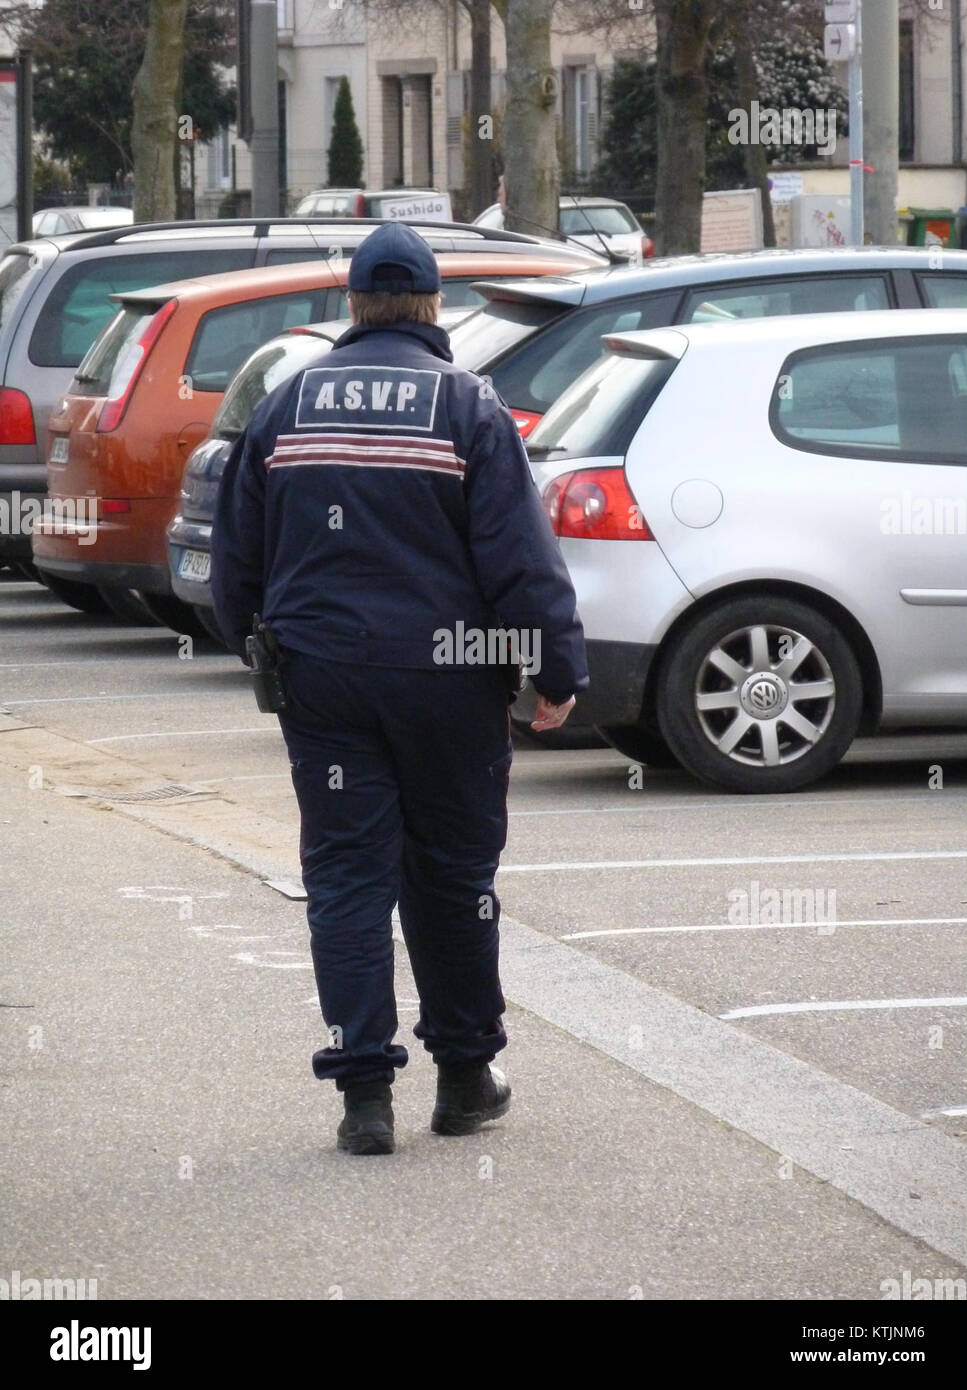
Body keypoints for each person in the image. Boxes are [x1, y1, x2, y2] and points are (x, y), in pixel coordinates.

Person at [211, 221, 588, 1155]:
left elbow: (235, 560)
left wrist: (255, 644)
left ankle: (363, 1096)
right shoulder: (469, 406)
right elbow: (518, 563)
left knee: (345, 876)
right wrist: (556, 670)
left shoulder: (288, 402)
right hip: (451, 676)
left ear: (353, 306)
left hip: (323, 675)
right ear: (431, 307)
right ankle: (464, 1077)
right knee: (452, 874)